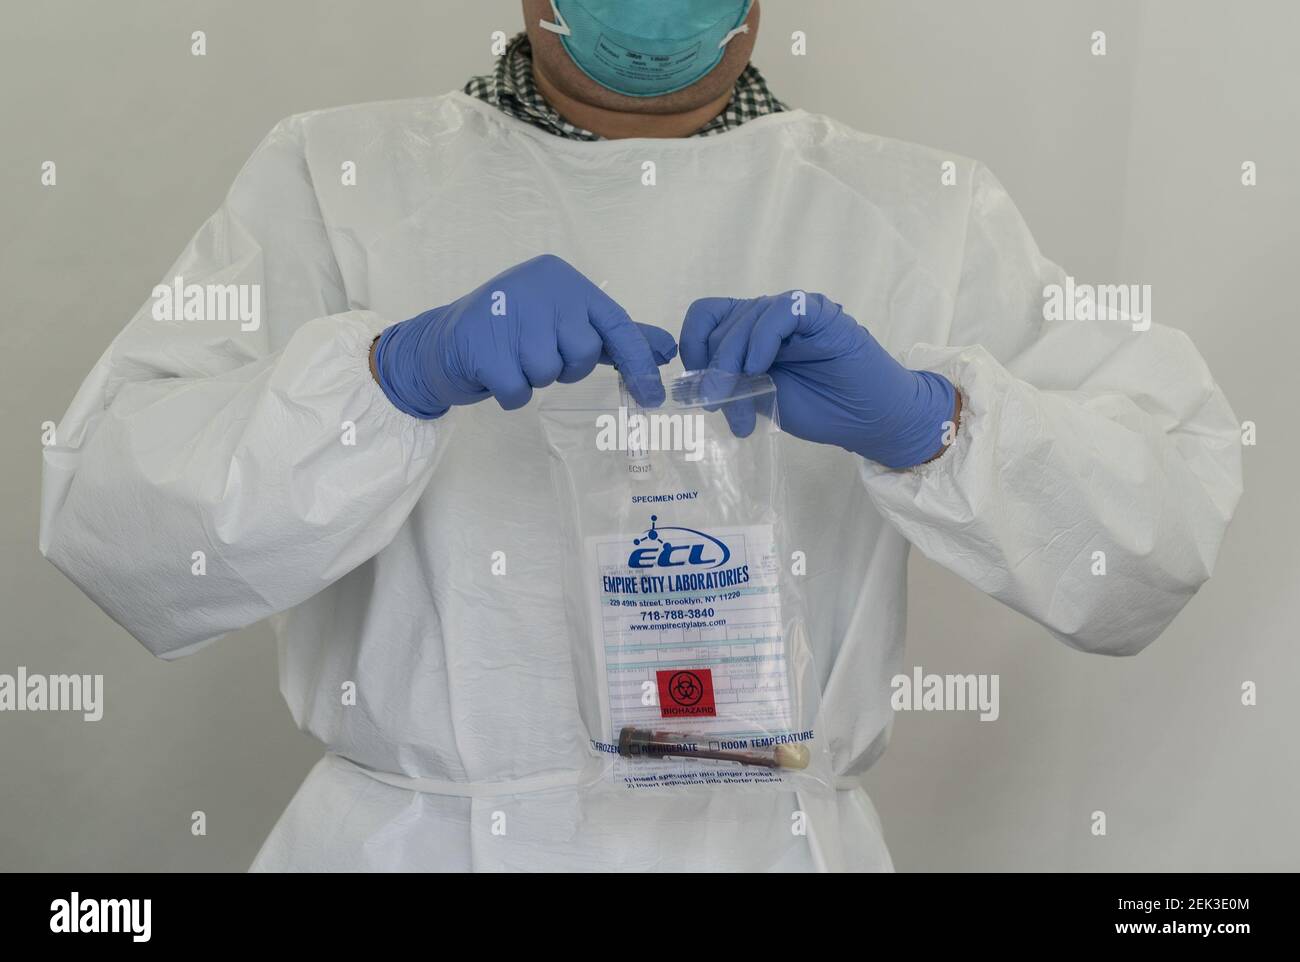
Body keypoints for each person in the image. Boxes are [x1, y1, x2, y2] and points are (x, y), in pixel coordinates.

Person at [40, 0, 1242, 872]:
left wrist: (939, 425)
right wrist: (384, 375)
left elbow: (1149, 545)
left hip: (773, 845)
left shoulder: (923, 214)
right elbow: (116, 523)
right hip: (415, 847)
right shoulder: (336, 175)